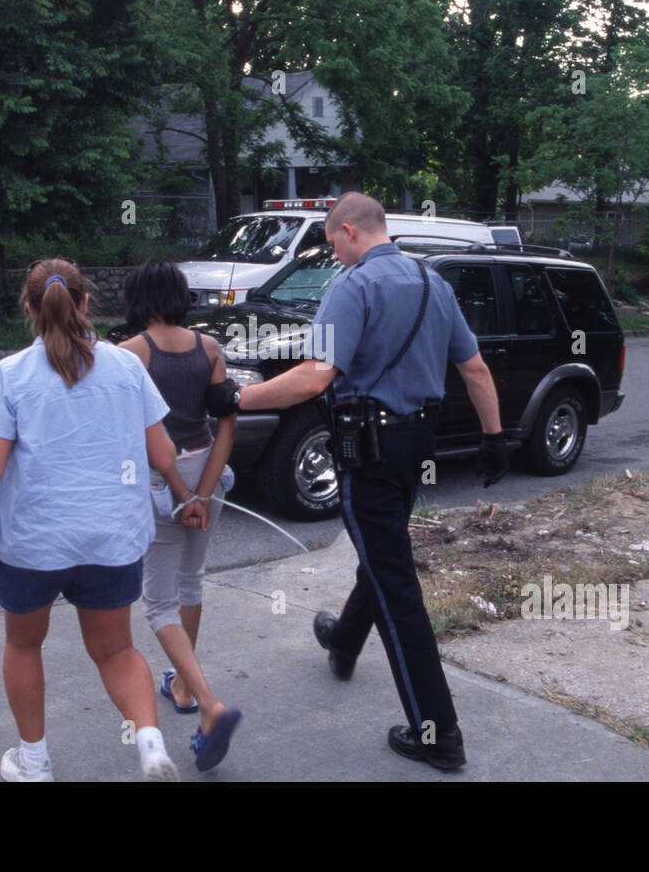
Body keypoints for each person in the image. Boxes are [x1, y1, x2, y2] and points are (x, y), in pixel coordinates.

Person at [206, 192, 509, 771]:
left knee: (397, 585)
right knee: (384, 548)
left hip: (369, 448)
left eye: (330, 239)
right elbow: (474, 367)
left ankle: (437, 733)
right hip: (419, 441)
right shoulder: (433, 284)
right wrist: (494, 438)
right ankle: (345, 639)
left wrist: (239, 396)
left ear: (349, 232)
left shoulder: (353, 286)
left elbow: (315, 376)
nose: (331, 252)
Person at [0, 257, 205, 782]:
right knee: (116, 649)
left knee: (24, 644)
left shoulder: (9, 376)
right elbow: (162, 451)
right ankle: (149, 746)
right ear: (84, 302)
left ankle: (34, 762)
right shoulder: (126, 367)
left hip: (34, 545)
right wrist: (188, 495)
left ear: (30, 309)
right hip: (112, 539)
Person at [117, 260, 243, 771]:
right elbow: (227, 427)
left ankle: (207, 704)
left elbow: (142, 438)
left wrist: (180, 495)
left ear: (140, 301)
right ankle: (184, 686)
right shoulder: (210, 350)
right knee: (191, 583)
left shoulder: (130, 356)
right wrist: (204, 493)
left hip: (160, 478)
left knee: (157, 602)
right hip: (204, 465)